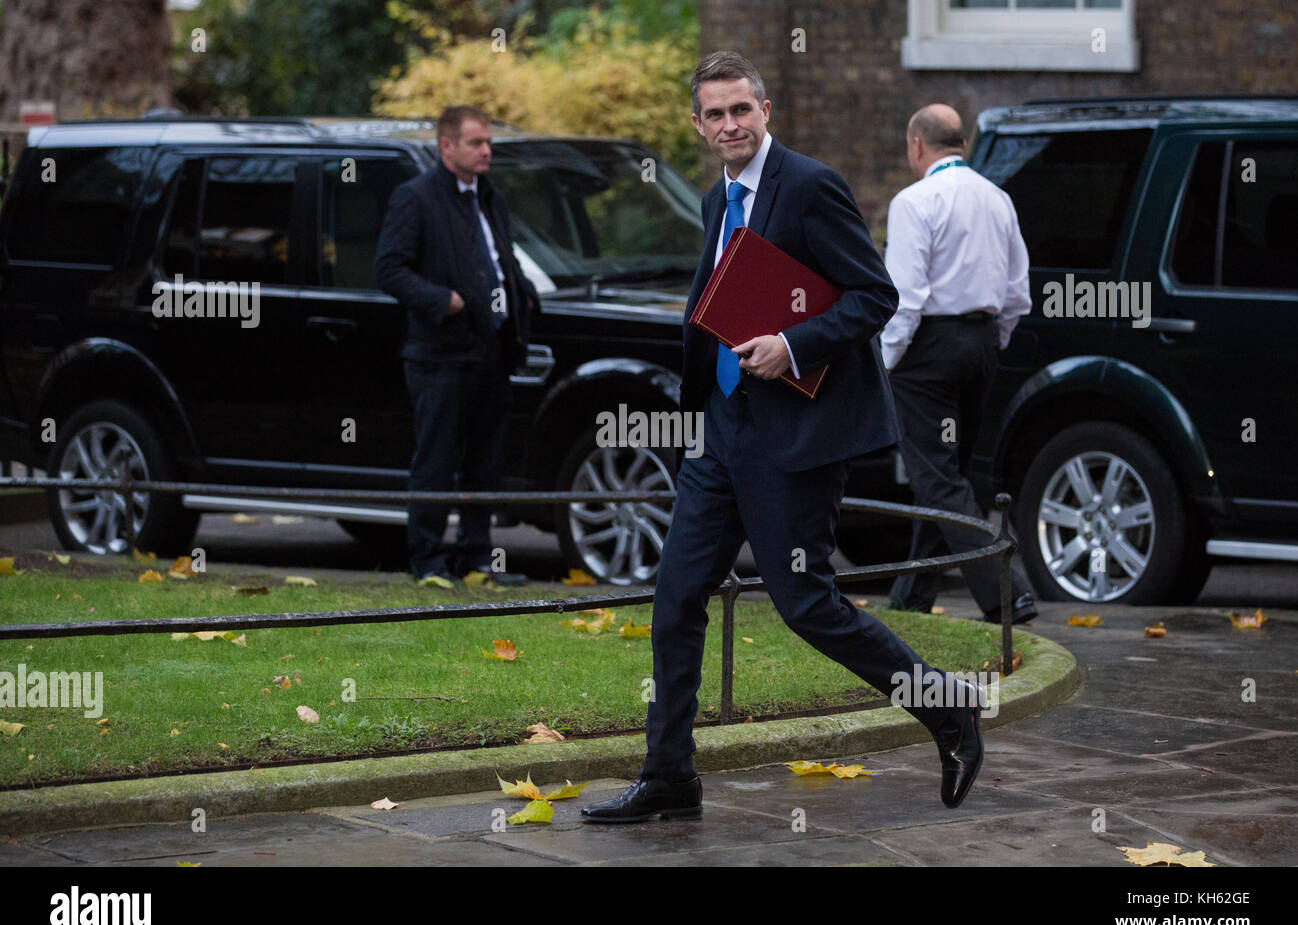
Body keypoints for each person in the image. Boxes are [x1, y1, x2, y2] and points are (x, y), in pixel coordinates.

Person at [582, 52, 985, 824]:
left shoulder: (808, 186)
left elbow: (876, 295)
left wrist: (793, 344)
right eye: (715, 114)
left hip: (794, 436)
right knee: (674, 602)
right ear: (699, 125)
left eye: (742, 109)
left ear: (765, 111)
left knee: (805, 604)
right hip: (721, 435)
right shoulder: (714, 201)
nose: (730, 124)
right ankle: (670, 774)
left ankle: (948, 708)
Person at [881, 104, 1037, 625]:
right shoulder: (999, 199)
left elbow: (905, 295)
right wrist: (993, 342)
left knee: (938, 478)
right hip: (981, 345)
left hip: (929, 349)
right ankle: (911, 597)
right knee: (948, 475)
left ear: (916, 146)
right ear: (962, 145)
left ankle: (1007, 592)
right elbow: (1018, 291)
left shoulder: (913, 201)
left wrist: (887, 359)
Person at [374, 105, 537, 587]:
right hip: (439, 354)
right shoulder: (416, 198)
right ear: (447, 147)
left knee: (484, 461)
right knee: (437, 459)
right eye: (475, 143)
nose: (487, 151)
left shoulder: (489, 197)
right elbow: (389, 269)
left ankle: (477, 559)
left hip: (491, 348)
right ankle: (427, 561)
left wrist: (522, 291)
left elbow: (498, 257)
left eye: (488, 142)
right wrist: (439, 299)